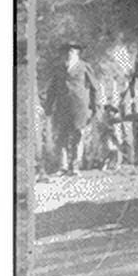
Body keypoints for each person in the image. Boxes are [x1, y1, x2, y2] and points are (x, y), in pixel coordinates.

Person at [43, 42, 99, 176]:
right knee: (61, 136)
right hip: (62, 107)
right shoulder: (58, 68)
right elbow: (52, 89)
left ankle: (74, 167)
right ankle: (62, 167)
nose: (69, 54)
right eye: (66, 52)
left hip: (79, 107)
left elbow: (94, 88)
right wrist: (49, 107)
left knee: (77, 136)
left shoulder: (84, 67)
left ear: (77, 53)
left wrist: (94, 107)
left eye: (72, 52)